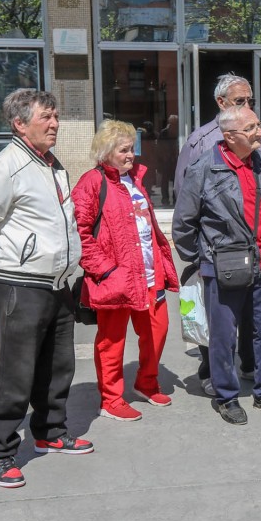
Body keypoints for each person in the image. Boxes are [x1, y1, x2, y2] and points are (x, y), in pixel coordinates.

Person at [0, 89, 93, 489]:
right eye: (46, 118)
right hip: (19, 283)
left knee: (56, 366)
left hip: (57, 282)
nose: (55, 124)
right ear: (19, 123)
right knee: (13, 373)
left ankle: (51, 430)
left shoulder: (49, 163)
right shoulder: (6, 167)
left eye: (56, 116)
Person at [173, 105, 261, 425]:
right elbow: (184, 223)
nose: (260, 132)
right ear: (229, 136)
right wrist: (204, 258)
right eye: (252, 128)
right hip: (224, 264)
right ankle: (226, 396)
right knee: (223, 335)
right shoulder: (204, 167)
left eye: (259, 125)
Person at [72, 120, 180, 422]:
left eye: (132, 148)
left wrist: (160, 258)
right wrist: (105, 271)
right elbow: (81, 233)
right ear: (106, 152)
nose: (131, 155)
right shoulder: (92, 182)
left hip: (148, 272)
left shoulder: (136, 179)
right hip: (116, 278)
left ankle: (146, 382)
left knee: (157, 331)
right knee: (112, 341)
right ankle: (111, 399)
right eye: (124, 150)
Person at [175, 74, 259, 395]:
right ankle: (211, 372)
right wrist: (196, 254)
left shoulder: (252, 135)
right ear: (221, 103)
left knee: (252, 314)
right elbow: (186, 200)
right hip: (217, 251)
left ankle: (249, 364)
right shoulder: (202, 142)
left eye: (249, 100)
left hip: (251, 247)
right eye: (240, 101)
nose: (246, 106)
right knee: (217, 318)